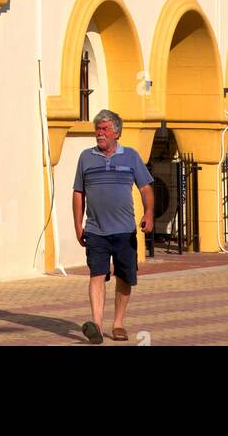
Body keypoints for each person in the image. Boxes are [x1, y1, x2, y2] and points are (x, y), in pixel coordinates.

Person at [73, 108, 155, 344]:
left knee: (125, 276)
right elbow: (78, 193)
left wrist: (149, 213)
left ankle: (118, 323)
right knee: (96, 274)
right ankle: (97, 326)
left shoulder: (130, 156)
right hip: (95, 230)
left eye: (105, 129)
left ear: (117, 133)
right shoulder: (85, 157)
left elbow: (146, 188)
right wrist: (78, 225)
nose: (100, 133)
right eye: (97, 129)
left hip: (124, 230)